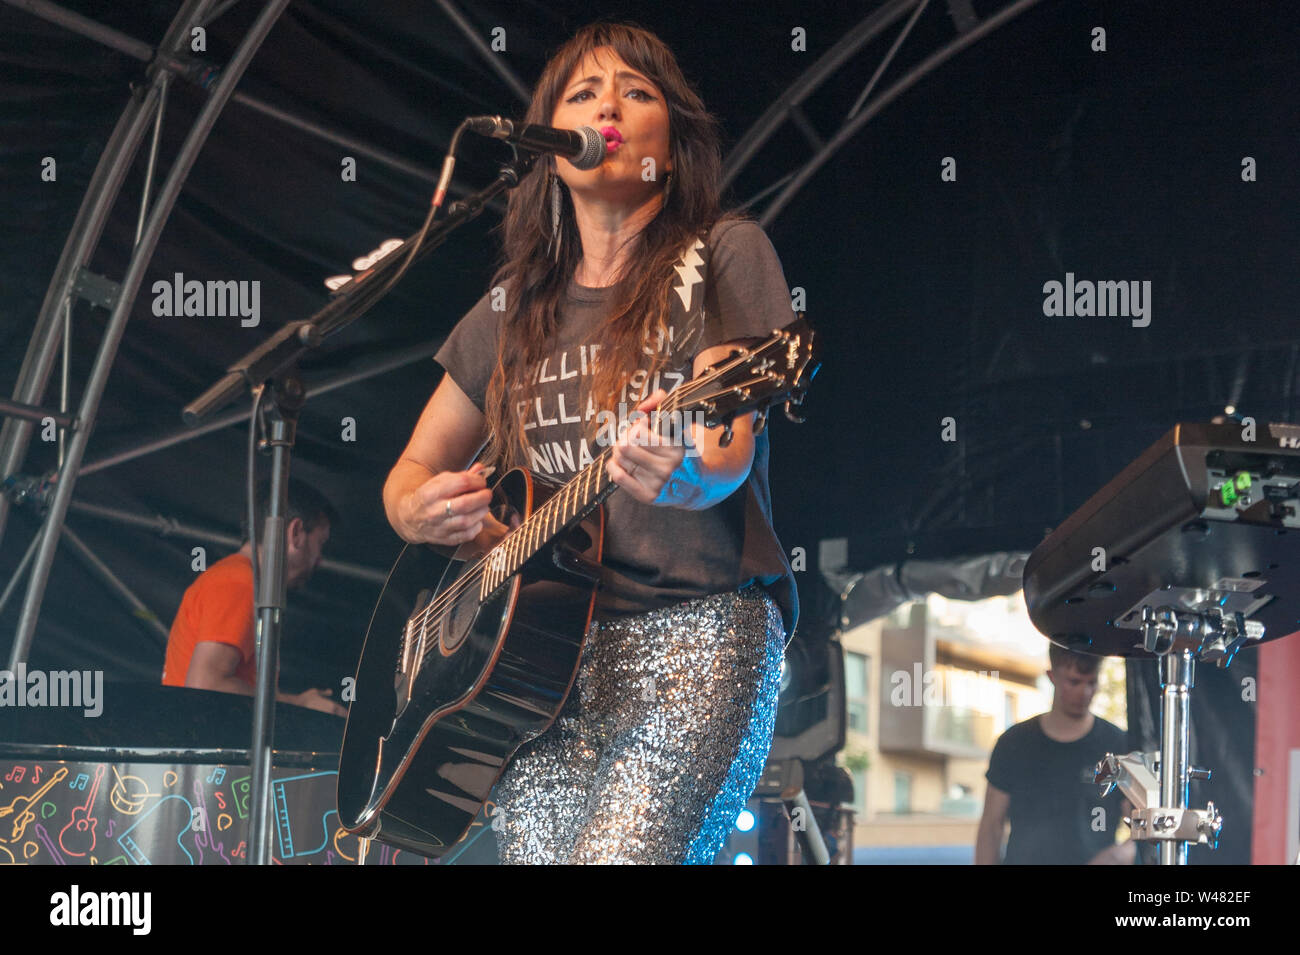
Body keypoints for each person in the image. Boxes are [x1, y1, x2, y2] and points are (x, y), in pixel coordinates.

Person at [382, 21, 800, 864]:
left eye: (636, 92)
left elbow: (724, 451)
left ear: (672, 151)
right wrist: (420, 513)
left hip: (692, 639)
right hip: (536, 671)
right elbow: (408, 476)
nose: (606, 105)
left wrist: (675, 468)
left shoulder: (721, 254)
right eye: (582, 95)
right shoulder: (512, 307)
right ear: (549, 149)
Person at [162, 479, 347, 717]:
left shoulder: (233, 578)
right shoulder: (240, 583)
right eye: (320, 542)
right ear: (296, 533)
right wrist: (300, 705)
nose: (320, 558)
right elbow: (205, 686)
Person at [975, 644, 1135, 864]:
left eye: (1092, 683)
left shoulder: (1118, 745)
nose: (1084, 692)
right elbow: (991, 827)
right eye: (1074, 682)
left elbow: (1141, 830)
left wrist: (1119, 855)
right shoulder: (1013, 743)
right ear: (1052, 677)